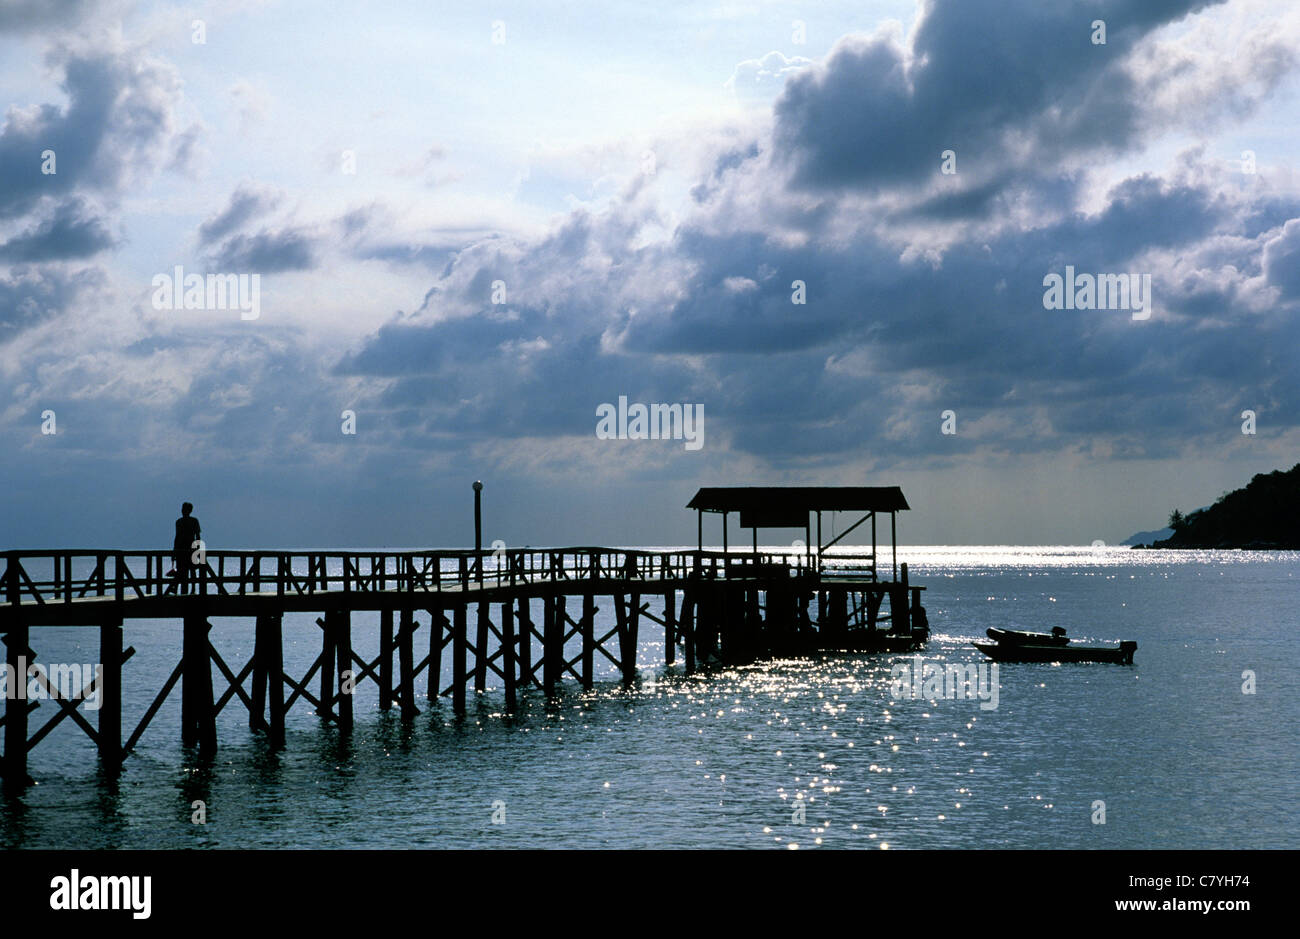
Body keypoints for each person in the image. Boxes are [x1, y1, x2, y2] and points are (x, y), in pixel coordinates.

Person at [173, 502, 202, 595]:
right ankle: (186, 590)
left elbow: (197, 537)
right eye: (182, 509)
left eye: (184, 509)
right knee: (184, 571)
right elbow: (197, 537)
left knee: (188, 571)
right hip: (184, 550)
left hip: (186, 549)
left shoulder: (184, 522)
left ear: (189, 511)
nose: (182, 511)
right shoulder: (184, 521)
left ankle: (190, 590)